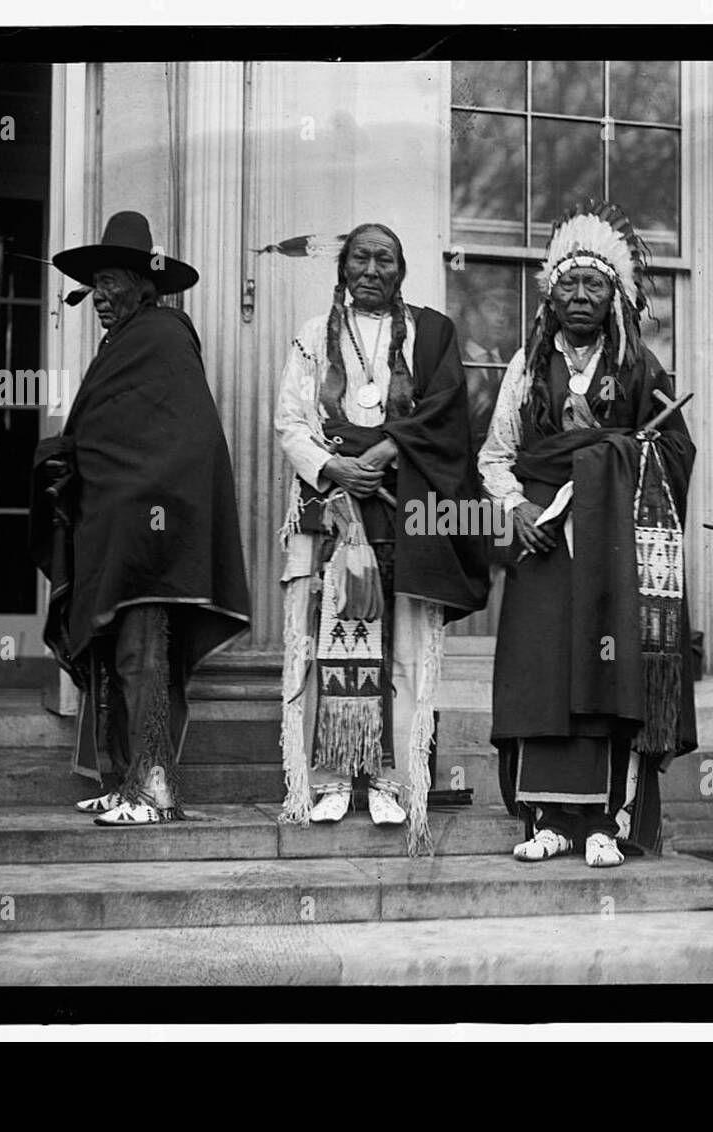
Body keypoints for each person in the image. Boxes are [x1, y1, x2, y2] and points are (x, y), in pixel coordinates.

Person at [478, 200, 698, 868]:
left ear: (614, 296)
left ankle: (607, 821)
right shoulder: (527, 364)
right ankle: (546, 819)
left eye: (593, 285)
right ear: (551, 291)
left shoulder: (641, 370)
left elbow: (676, 452)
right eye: (569, 283)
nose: (580, 296)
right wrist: (516, 509)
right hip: (541, 546)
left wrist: (612, 459)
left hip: (612, 549)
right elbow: (494, 455)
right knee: (540, 676)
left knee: (608, 676)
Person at [29, 211, 251, 826]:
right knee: (111, 656)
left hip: (151, 535)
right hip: (113, 526)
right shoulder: (121, 343)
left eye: (110, 282)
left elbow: (185, 441)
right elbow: (112, 431)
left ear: (143, 283)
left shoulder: (163, 334)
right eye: (94, 284)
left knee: (141, 655)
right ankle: (125, 777)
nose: (98, 296)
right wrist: (70, 458)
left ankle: (154, 786)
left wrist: (127, 491)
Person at [273, 222, 488, 853]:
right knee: (329, 640)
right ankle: (332, 775)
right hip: (332, 506)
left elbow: (447, 411)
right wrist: (334, 467)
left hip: (403, 504)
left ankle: (392, 780)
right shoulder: (315, 337)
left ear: (401, 271)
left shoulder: (428, 334)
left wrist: (390, 449)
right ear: (344, 268)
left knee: (401, 645)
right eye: (361, 257)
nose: (372, 268)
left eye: (385, 259)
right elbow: (290, 420)